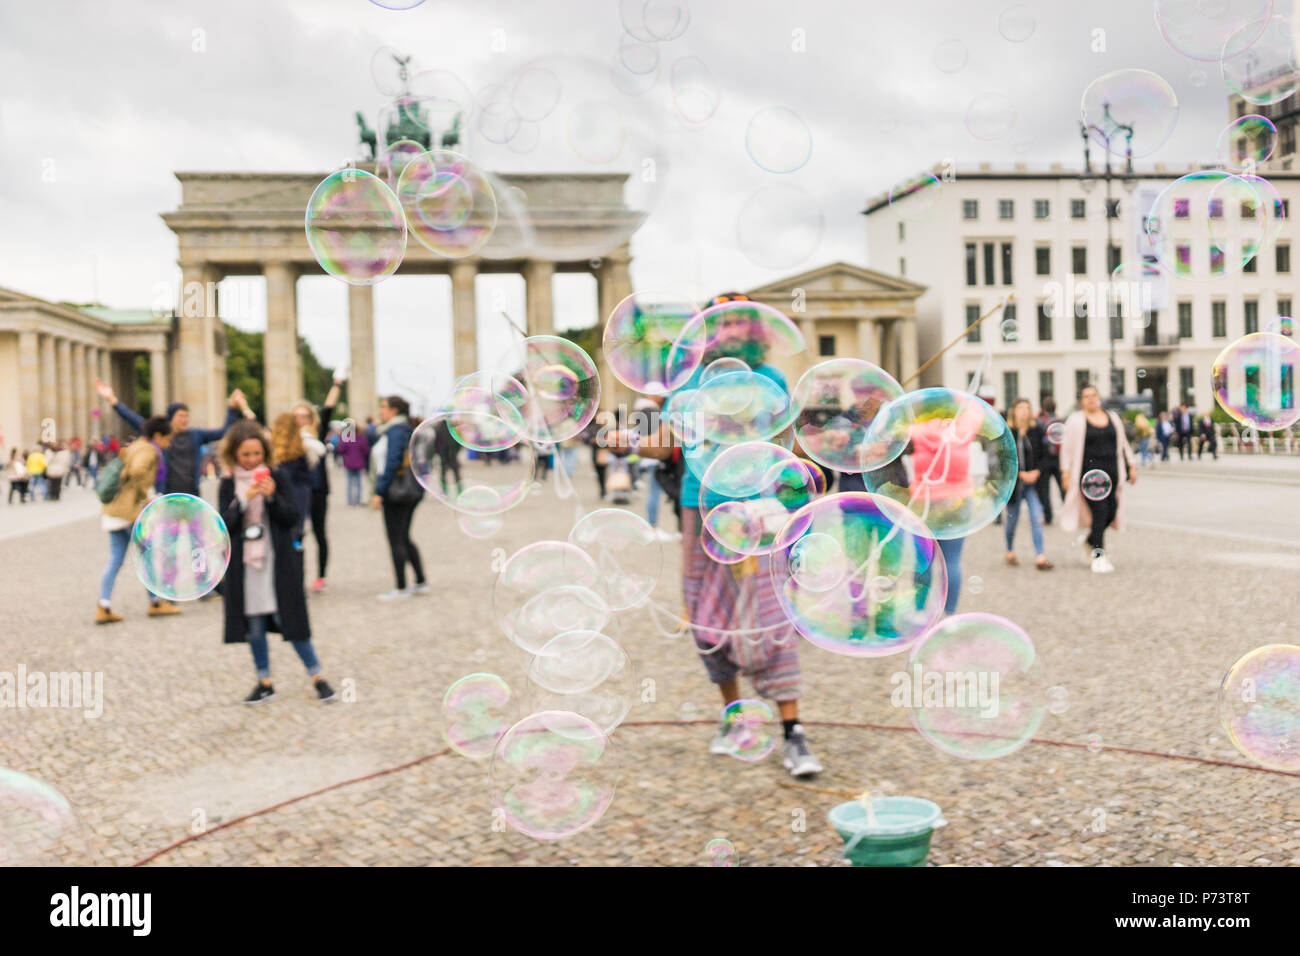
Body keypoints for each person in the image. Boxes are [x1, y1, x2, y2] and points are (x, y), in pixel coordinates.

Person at [629, 293, 823, 777]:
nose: (731, 330)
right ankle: (733, 714)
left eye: (740, 322)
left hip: (759, 506)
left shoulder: (771, 380)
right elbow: (656, 449)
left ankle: (792, 732)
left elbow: (789, 444)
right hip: (700, 505)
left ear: (754, 332)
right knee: (705, 616)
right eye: (722, 322)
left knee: (770, 613)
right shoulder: (686, 383)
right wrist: (640, 422)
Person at [217, 420, 336, 705]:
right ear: (234, 455)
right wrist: (244, 500)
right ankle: (264, 680)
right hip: (246, 565)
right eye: (245, 455)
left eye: (257, 454)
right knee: (254, 624)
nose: (252, 460)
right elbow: (223, 524)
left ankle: (317, 675)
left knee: (290, 618)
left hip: (277, 559)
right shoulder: (228, 482)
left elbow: (292, 516)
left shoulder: (277, 476)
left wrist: (271, 497)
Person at [96, 417, 182, 623]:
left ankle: (103, 605)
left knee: (116, 559)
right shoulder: (148, 450)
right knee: (148, 556)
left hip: (115, 511)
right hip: (129, 513)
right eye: (167, 439)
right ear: (158, 436)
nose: (168, 444)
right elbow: (136, 471)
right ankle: (155, 603)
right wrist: (147, 497)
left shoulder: (136, 445)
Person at [96, 378, 246, 496]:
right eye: (181, 416)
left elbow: (223, 432)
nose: (185, 420)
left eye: (187, 416)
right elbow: (132, 418)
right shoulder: (159, 435)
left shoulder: (196, 435)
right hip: (166, 494)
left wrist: (232, 409)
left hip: (192, 494)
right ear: (171, 417)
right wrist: (112, 399)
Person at [1060, 384, 1138, 574]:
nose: (1091, 399)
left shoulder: (1112, 417)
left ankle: (1089, 540)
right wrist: (1066, 472)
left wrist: (1132, 465)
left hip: (1112, 474)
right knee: (1100, 511)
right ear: (1081, 400)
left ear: (1099, 397)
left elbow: (1123, 444)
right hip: (1089, 476)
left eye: (1093, 395)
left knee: (1111, 511)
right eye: (1086, 396)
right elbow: (1067, 449)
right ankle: (1099, 555)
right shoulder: (1076, 420)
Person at [371, 395, 428, 600]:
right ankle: (421, 581)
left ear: (394, 410)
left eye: (383, 407)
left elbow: (392, 463)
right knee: (404, 536)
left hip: (396, 493)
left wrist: (379, 491)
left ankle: (401, 587)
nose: (380, 411)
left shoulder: (395, 431)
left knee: (396, 538)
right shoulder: (406, 429)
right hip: (410, 491)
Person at [293, 384, 338, 592]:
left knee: (320, 533)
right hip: (296, 490)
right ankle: (296, 576)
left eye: (304, 416)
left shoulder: (318, 434)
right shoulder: (288, 439)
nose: (301, 420)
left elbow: (328, 408)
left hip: (318, 490)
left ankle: (321, 576)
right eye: (297, 416)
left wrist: (336, 383)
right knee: (296, 534)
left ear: (311, 419)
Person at [1003, 399, 1053, 570]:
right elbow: (1003, 461)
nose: (1024, 411)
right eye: (1020, 408)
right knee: (1012, 520)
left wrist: (1037, 471)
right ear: (1014, 411)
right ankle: (1009, 550)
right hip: (1015, 486)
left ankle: (1040, 556)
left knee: (1037, 517)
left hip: (1033, 485)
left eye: (1027, 408)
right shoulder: (1008, 432)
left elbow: (1047, 456)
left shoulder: (1037, 431)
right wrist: (1018, 474)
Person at [270, 412, 323, 551]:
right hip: (300, 495)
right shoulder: (301, 449)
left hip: (286, 497)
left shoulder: (276, 453)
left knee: (285, 536)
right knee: (296, 535)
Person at [1035, 396, 1064, 525]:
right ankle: (1068, 513)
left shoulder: (1041, 422)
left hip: (1045, 459)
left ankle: (1048, 516)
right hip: (1059, 458)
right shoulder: (1061, 420)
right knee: (1063, 488)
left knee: (1044, 490)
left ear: (1044, 408)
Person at [338, 420, 371, 507]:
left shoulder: (346, 438)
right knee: (359, 483)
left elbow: (341, 450)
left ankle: (350, 502)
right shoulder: (362, 438)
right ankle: (358, 501)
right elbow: (366, 451)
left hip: (349, 463)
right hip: (359, 463)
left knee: (350, 483)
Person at [432, 418, 463, 498]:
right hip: (452, 455)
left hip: (443, 455)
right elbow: (459, 443)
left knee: (443, 475)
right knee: (456, 474)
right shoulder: (453, 429)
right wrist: (456, 452)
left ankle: (444, 492)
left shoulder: (438, 430)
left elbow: (435, 444)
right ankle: (460, 491)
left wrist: (438, 453)